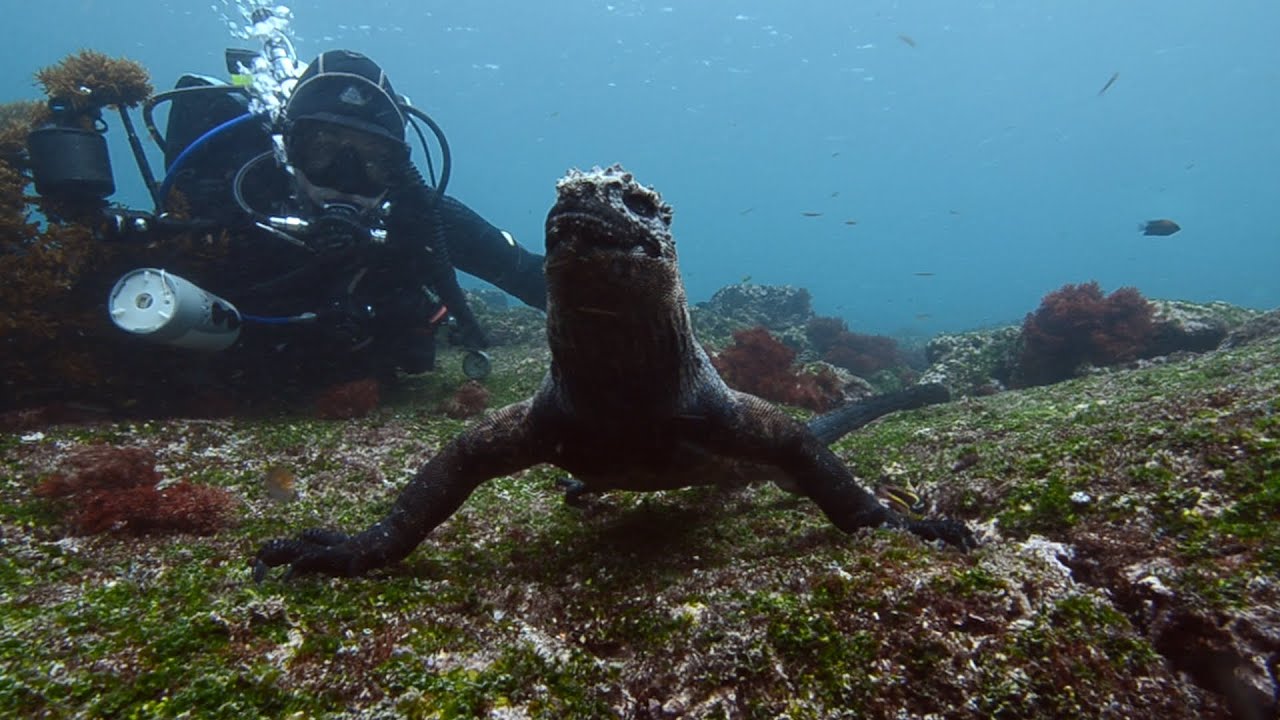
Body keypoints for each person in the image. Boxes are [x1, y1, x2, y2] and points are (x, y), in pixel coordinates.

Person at [102, 50, 547, 391]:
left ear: (399, 171)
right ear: (288, 150)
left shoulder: (420, 217)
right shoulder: (229, 200)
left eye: (374, 161)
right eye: (321, 150)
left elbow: (534, 276)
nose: (346, 178)